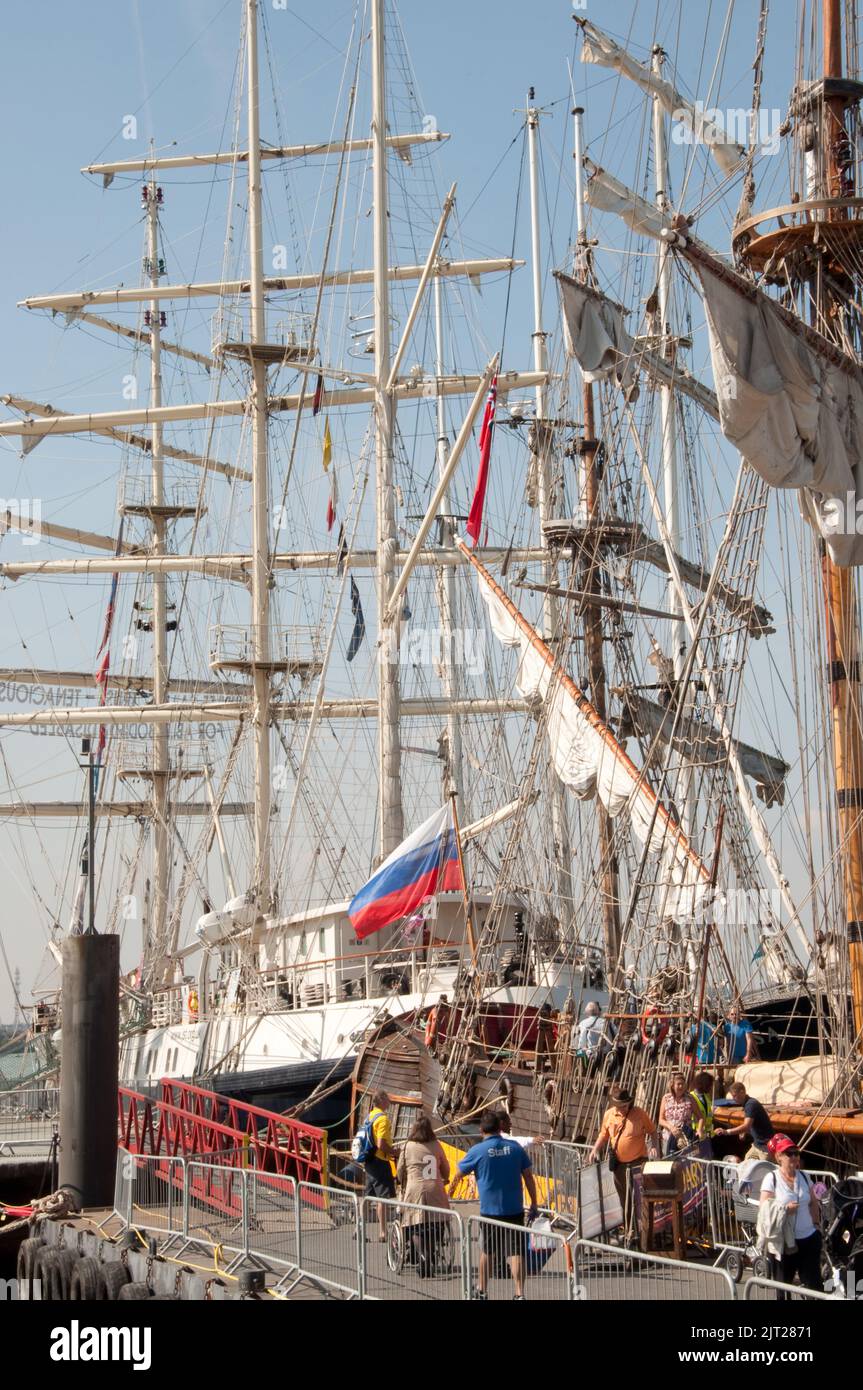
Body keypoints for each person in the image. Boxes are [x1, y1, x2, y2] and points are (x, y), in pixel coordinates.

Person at [453, 1109, 538, 1301]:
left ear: (481, 1129)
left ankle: (482, 1290)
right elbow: (528, 1177)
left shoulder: (477, 1151)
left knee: (488, 1251)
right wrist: (534, 1202)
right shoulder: (515, 1148)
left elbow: (458, 1173)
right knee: (516, 1251)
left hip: (490, 1211)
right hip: (514, 1208)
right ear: (500, 1128)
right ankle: (519, 1293)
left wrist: (449, 1193)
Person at [589, 1084, 658, 1232]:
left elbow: (653, 1131)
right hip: (619, 1165)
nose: (623, 1109)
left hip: (638, 1163)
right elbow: (603, 1135)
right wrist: (595, 1149)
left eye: (625, 1105)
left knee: (640, 1198)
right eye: (620, 1106)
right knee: (624, 1199)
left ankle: (645, 1230)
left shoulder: (639, 1113)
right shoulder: (609, 1115)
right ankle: (629, 1231)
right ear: (615, 1105)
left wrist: (654, 1147)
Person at [759, 1135, 822, 1290]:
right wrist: (785, 1209)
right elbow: (764, 1208)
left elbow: (813, 1202)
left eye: (796, 1153)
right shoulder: (771, 1178)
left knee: (814, 1286)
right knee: (783, 1287)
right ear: (779, 1157)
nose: (794, 1157)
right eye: (789, 1153)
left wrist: (816, 1226)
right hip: (784, 1241)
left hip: (808, 1237)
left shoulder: (805, 1177)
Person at [396, 1114, 450, 1277]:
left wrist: (402, 1181)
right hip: (435, 1189)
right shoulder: (436, 1145)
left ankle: (422, 1255)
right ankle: (430, 1253)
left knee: (415, 1225)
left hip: (415, 1189)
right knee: (435, 1224)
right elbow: (446, 1170)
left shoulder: (408, 1146)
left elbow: (400, 1171)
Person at [363, 1090, 399, 1240]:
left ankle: (359, 1229)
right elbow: (381, 1144)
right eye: (388, 1099)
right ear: (382, 1100)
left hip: (369, 1160)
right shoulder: (383, 1119)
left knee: (367, 1197)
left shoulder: (370, 1116)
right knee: (382, 1198)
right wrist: (394, 1152)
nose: (390, 1101)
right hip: (380, 1161)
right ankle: (383, 1232)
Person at [722, 1080, 774, 1159]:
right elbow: (752, 1124)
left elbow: (746, 1126)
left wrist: (727, 1132)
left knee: (764, 1166)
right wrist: (745, 1131)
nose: (733, 1099)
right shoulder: (747, 1104)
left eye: (734, 1096)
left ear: (742, 1092)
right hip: (757, 1145)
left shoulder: (751, 1104)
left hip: (765, 1146)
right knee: (747, 1162)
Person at [658, 1071, 695, 1155]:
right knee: (669, 1160)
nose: (681, 1086)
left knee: (685, 1161)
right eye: (678, 1084)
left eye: (683, 1084)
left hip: (685, 1139)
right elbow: (661, 1120)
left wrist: (699, 1129)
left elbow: (700, 1117)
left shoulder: (690, 1098)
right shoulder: (666, 1098)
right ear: (672, 1085)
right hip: (668, 1137)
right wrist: (671, 1127)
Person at [571, 1001, 616, 1066]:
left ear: (587, 1013)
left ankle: (578, 1068)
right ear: (599, 1012)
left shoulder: (583, 1024)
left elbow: (580, 1045)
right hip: (609, 1059)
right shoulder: (610, 1024)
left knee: (576, 1052)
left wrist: (577, 1053)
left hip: (591, 1060)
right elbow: (618, 1038)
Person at [689, 1071, 716, 1149]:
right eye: (710, 1085)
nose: (711, 1087)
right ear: (704, 1085)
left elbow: (708, 1116)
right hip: (695, 1134)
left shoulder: (706, 1096)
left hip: (706, 1136)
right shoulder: (690, 1097)